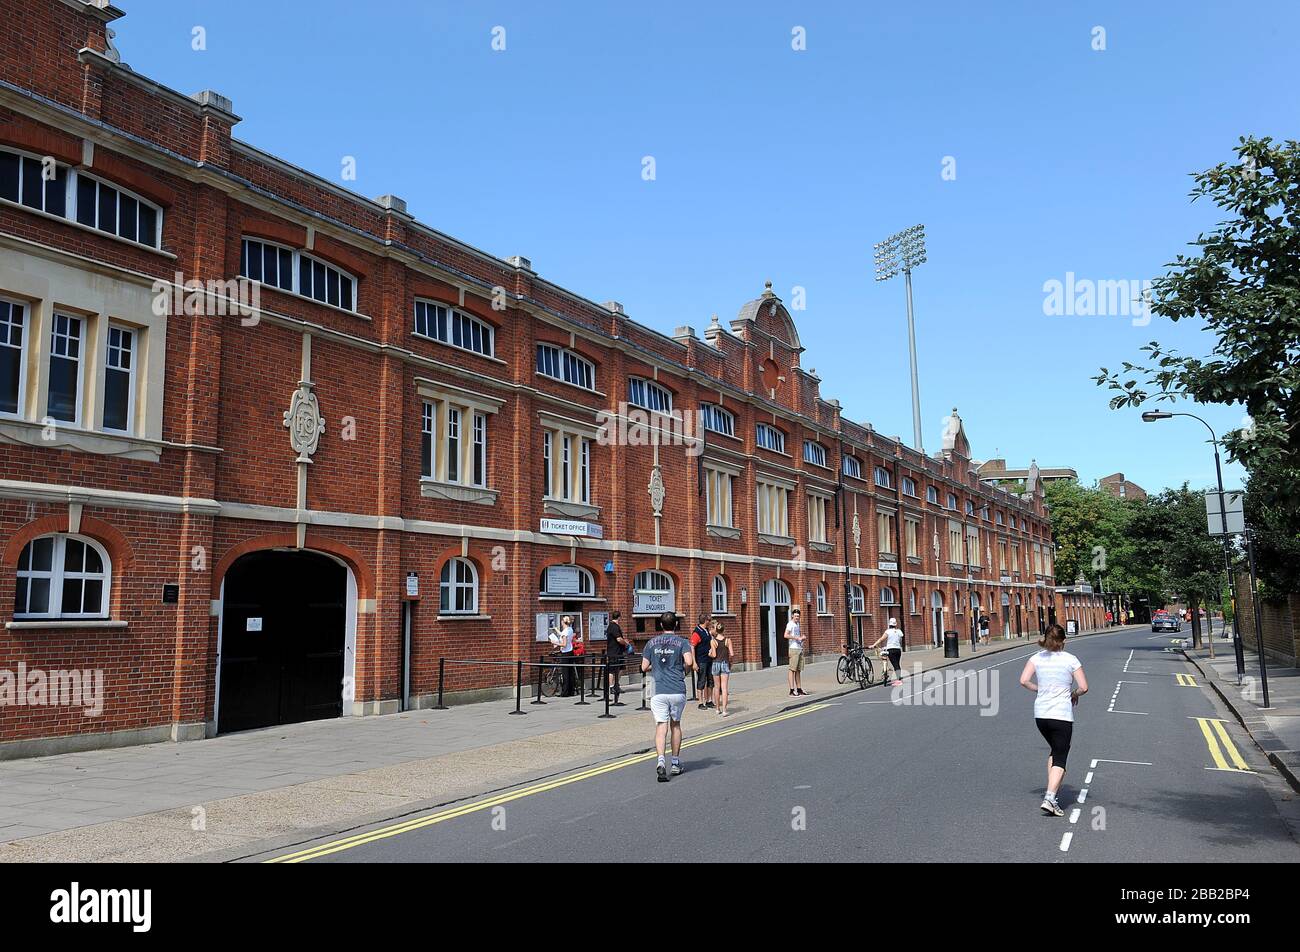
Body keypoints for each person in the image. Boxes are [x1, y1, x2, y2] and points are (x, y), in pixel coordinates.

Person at [1018, 623, 1089, 817]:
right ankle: (1049, 798)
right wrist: (1073, 693)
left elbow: (1023, 680)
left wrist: (1039, 689)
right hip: (1061, 715)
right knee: (1061, 755)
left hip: (1041, 715)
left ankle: (1052, 794)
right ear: (1064, 640)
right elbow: (1084, 687)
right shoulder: (1071, 660)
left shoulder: (1036, 658)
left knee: (1055, 750)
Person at [641, 612, 696, 782]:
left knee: (661, 726)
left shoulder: (651, 643)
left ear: (661, 625)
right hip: (677, 689)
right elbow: (688, 661)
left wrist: (656, 667)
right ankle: (675, 762)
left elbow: (644, 667)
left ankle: (660, 761)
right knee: (676, 725)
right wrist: (682, 670)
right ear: (676, 625)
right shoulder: (682, 642)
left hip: (658, 690)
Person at [870, 617, 905, 687]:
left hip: (891, 650)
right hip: (898, 650)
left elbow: (881, 639)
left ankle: (899, 680)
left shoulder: (888, 632)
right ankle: (898, 679)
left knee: (895, 665)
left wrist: (874, 645)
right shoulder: (899, 631)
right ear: (896, 624)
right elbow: (900, 640)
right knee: (897, 664)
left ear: (889, 624)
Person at [708, 619, 733, 717]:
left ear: (716, 630)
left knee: (716, 687)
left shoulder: (713, 641)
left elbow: (713, 655)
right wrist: (731, 662)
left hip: (715, 664)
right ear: (724, 630)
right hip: (725, 663)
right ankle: (725, 710)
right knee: (724, 688)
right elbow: (732, 654)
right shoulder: (728, 640)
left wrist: (709, 654)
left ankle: (717, 708)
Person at [691, 614, 714, 710]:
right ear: (705, 621)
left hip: (709, 660)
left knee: (710, 680)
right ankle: (700, 702)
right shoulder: (697, 632)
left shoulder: (707, 631)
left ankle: (709, 700)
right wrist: (694, 662)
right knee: (701, 681)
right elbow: (692, 647)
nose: (710, 622)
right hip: (701, 660)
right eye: (709, 620)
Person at [605, 610, 629, 699]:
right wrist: (625, 643)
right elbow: (618, 639)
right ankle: (611, 687)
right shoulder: (614, 626)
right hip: (614, 652)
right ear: (619, 617)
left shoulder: (612, 626)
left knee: (621, 668)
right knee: (612, 669)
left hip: (619, 652)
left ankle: (616, 684)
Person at [785, 608, 808, 697]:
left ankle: (799, 689)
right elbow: (785, 635)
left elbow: (798, 636)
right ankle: (791, 690)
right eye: (795, 616)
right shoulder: (790, 624)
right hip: (793, 649)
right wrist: (796, 638)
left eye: (798, 616)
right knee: (792, 669)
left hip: (799, 648)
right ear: (792, 616)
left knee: (798, 670)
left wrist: (802, 637)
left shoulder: (797, 624)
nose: (797, 617)